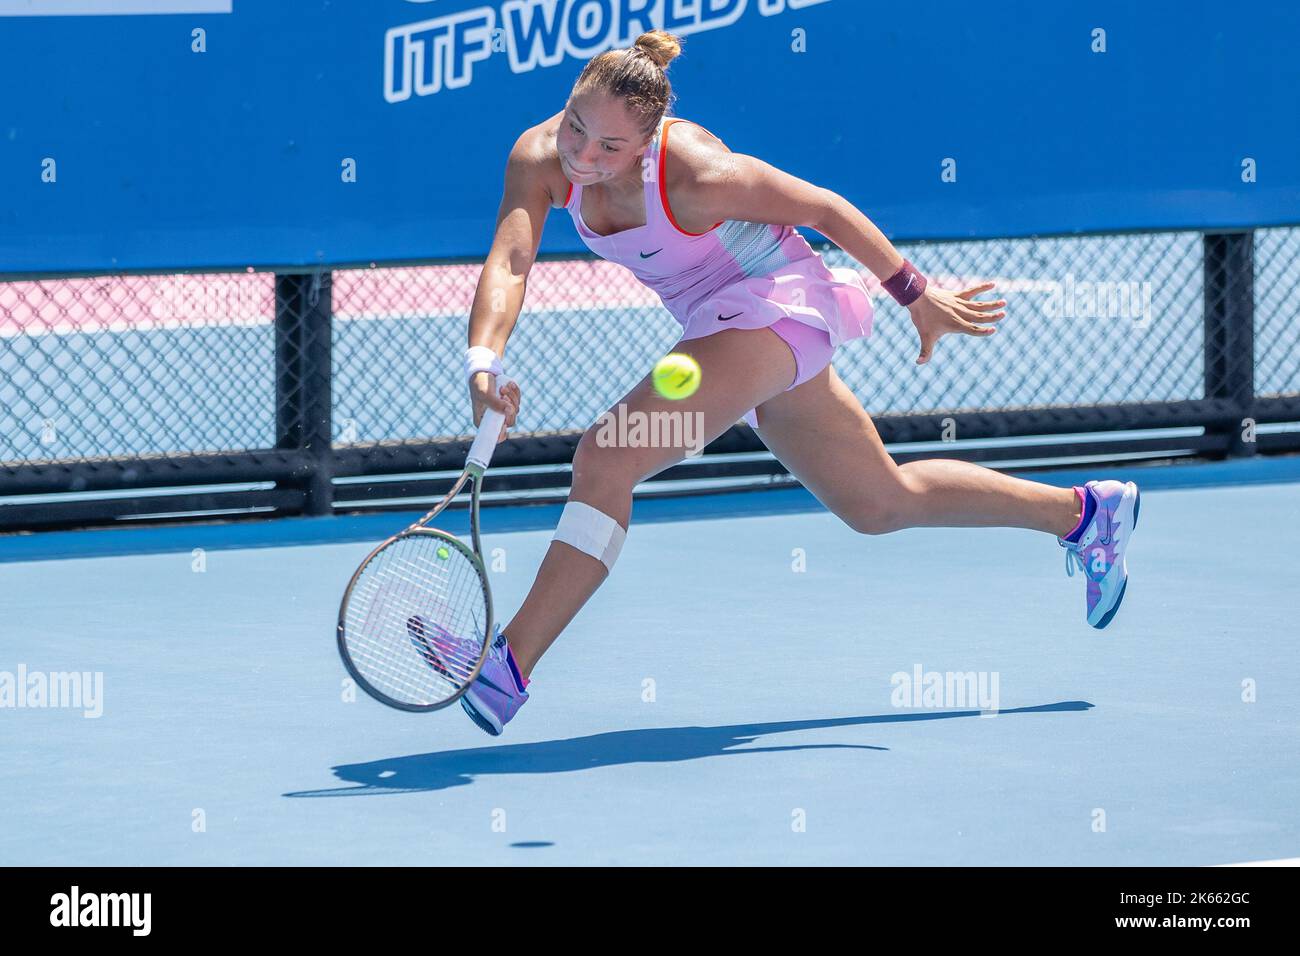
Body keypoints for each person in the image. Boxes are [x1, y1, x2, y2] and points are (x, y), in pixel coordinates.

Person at [453, 30, 1140, 736]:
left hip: (776, 303)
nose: (582, 153)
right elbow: (511, 260)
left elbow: (824, 209)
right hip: (716, 323)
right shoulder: (540, 157)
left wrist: (916, 296)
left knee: (607, 455)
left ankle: (506, 669)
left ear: (647, 143)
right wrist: (484, 362)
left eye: (608, 147)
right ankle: (1085, 515)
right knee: (878, 503)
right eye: (576, 126)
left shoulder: (696, 173)